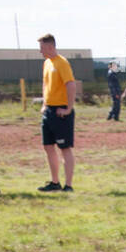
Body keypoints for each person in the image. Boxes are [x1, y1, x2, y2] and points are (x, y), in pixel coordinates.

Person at [37, 34, 75, 193]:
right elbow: (46, 85)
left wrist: (68, 108)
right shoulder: (47, 63)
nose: (40, 51)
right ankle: (55, 183)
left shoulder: (62, 62)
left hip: (61, 110)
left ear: (50, 46)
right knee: (48, 146)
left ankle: (68, 185)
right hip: (49, 111)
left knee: (64, 147)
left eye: (42, 48)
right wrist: (45, 104)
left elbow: (71, 85)